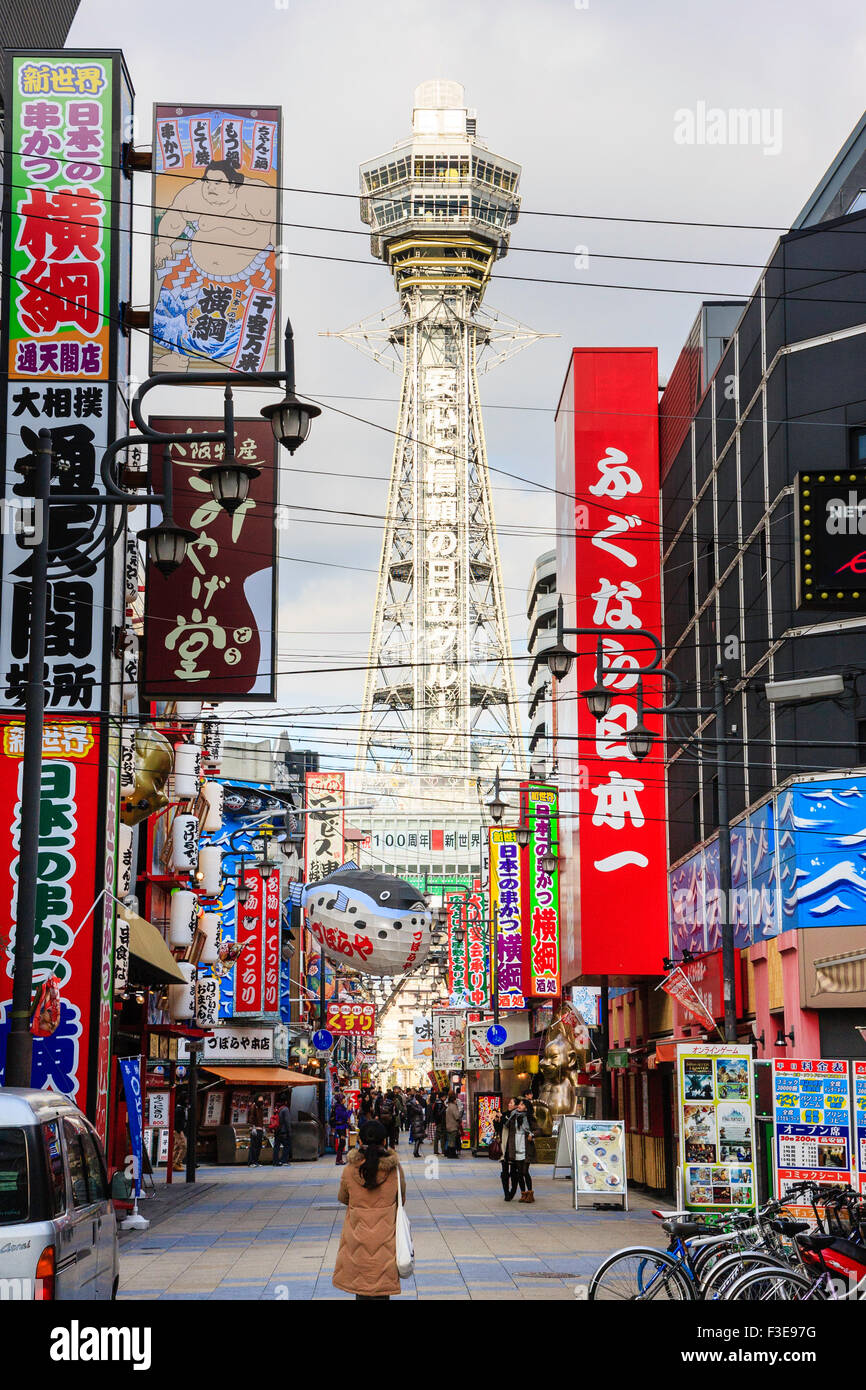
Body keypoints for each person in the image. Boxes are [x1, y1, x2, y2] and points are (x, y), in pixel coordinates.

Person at [332, 1120, 407, 1301]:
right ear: (384, 1142)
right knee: (382, 1292)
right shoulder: (394, 1169)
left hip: (357, 1237)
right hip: (386, 1240)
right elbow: (401, 1200)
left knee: (361, 1289)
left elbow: (343, 1198)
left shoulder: (350, 1170)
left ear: (359, 1141)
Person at [503, 1100, 534, 1202]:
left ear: (526, 1107)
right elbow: (505, 1125)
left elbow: (538, 1129)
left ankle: (530, 1193)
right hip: (515, 1146)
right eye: (519, 1104)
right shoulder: (513, 1116)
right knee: (519, 1173)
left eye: (522, 1104)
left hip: (526, 1146)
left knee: (525, 1172)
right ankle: (523, 1194)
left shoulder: (529, 1117)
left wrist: (531, 1134)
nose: (519, 1106)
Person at [494, 1098, 516, 1200]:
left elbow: (509, 1124)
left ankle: (513, 1191)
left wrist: (502, 1118)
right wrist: (496, 1121)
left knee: (514, 1172)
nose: (509, 1104)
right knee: (505, 1172)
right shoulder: (505, 1113)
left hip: (513, 1147)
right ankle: (506, 1193)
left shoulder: (516, 1115)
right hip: (504, 1145)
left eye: (511, 1103)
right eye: (509, 1102)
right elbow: (499, 1128)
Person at [273, 1093, 293, 1167]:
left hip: (277, 1130)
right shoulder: (285, 1109)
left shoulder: (277, 1109)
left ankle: (275, 1161)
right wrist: (289, 1132)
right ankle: (283, 1160)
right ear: (286, 1101)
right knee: (287, 1146)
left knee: (276, 1147)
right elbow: (287, 1122)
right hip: (283, 1131)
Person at [332, 1092, 350, 1166]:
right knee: (342, 1143)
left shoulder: (340, 1106)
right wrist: (349, 1110)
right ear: (340, 1100)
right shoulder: (339, 1107)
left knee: (342, 1143)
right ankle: (338, 1160)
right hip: (340, 1127)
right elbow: (345, 1116)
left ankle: (339, 1160)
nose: (344, 1100)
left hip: (342, 1126)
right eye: (343, 1099)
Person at [407, 1091, 426, 1158]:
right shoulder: (414, 1105)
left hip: (416, 1122)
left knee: (418, 1138)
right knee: (418, 1138)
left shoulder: (412, 1105)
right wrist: (418, 1105)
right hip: (417, 1123)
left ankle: (416, 1151)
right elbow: (419, 1110)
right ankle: (415, 1152)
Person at [444, 1091, 463, 1159]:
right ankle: (452, 1154)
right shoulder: (453, 1107)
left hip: (448, 1125)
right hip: (453, 1126)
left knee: (449, 1140)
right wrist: (460, 1119)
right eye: (455, 1100)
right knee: (452, 1141)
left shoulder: (448, 1106)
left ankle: (449, 1153)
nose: (456, 1101)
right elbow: (457, 1116)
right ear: (453, 1100)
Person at [248, 1095, 265, 1167]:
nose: (261, 1101)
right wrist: (253, 1127)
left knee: (258, 1146)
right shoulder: (253, 1106)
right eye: (260, 1100)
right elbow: (251, 1117)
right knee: (253, 1146)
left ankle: (256, 1161)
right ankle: (251, 1162)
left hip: (260, 1128)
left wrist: (263, 1127)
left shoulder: (260, 1107)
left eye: (262, 1100)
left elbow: (261, 1118)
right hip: (255, 1129)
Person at [432, 1091, 447, 1155]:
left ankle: (436, 1151)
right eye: (445, 1097)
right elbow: (439, 1113)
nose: (446, 1098)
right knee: (442, 1136)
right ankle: (443, 1150)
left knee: (437, 1137)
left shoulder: (437, 1102)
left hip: (438, 1122)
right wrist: (444, 1109)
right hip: (440, 1122)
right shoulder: (440, 1103)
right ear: (442, 1097)